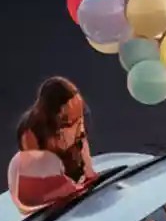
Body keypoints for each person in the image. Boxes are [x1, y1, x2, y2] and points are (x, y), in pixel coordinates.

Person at [9, 77, 99, 213]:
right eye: (70, 121)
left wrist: (89, 174)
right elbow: (37, 171)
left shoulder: (77, 124)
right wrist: (64, 188)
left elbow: (82, 143)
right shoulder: (31, 132)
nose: (79, 128)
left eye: (79, 118)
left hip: (74, 182)